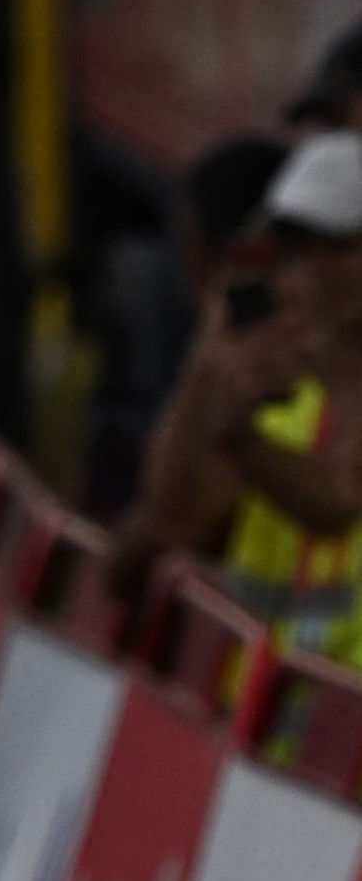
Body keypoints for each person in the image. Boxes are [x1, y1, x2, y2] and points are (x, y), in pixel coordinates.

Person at [129, 132, 362, 665]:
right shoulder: (287, 389)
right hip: (259, 716)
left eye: (339, 243)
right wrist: (206, 365)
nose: (312, 268)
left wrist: (236, 434)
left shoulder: (274, 412)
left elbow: (339, 505)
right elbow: (168, 513)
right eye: (297, 247)